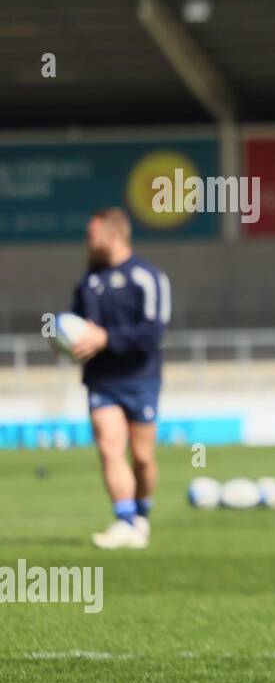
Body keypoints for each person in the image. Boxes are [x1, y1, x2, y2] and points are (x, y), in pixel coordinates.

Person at [67, 207, 171, 550]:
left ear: (113, 235)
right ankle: (125, 521)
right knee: (110, 448)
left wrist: (107, 339)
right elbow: (80, 329)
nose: (87, 242)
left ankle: (141, 515)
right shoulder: (89, 283)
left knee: (142, 457)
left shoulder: (148, 277)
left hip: (141, 377)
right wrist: (66, 342)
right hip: (102, 380)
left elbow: (154, 331)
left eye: (91, 236)